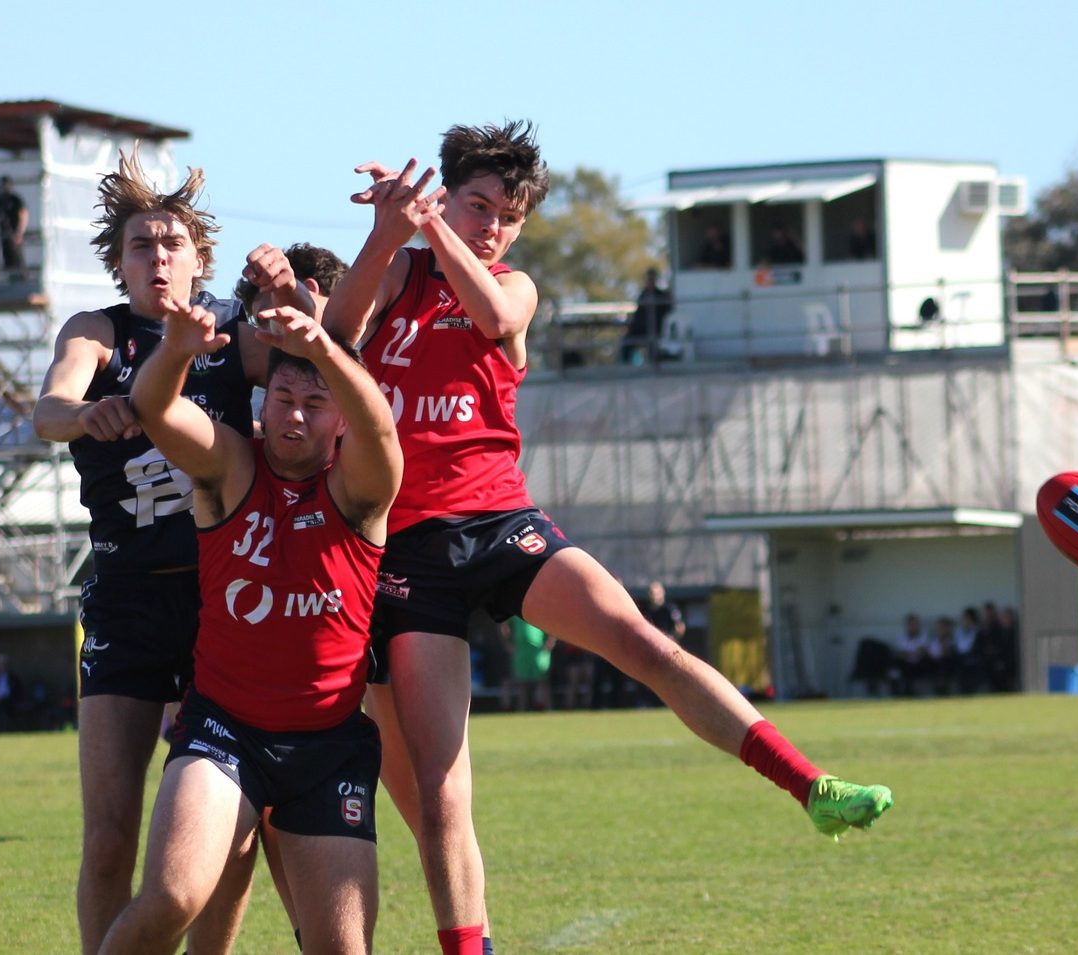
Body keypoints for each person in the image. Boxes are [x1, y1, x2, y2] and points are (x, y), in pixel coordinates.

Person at [326, 121, 892, 953]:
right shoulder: (400, 271)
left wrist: (434, 224)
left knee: (642, 640)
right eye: (475, 204)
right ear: (445, 191)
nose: (490, 225)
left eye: (506, 216)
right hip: (407, 552)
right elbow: (340, 330)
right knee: (443, 790)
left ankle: (809, 783)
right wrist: (388, 231)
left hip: (500, 524)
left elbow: (489, 316)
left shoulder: (514, 286)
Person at [31, 151, 305, 955]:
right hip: (125, 597)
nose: (158, 256)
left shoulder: (229, 334)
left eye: (171, 243)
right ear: (118, 264)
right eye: (141, 245)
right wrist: (86, 416)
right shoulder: (95, 333)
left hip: (223, 601)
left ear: (200, 259)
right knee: (110, 832)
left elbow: (314, 363)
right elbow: (47, 408)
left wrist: (288, 294)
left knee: (236, 824)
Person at [99, 291, 400, 955]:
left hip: (328, 744)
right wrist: (177, 349)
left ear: (338, 418)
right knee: (172, 897)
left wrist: (322, 344)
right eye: (282, 397)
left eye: (314, 403)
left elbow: (380, 429)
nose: (292, 415)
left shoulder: (359, 489)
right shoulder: (233, 465)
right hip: (223, 728)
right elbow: (155, 409)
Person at [620, 267, 672, 366]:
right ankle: (625, 366)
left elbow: (667, 312)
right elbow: (637, 315)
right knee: (627, 341)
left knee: (654, 342)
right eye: (648, 279)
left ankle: (655, 364)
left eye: (652, 279)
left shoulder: (661, 295)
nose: (650, 281)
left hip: (656, 329)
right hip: (640, 329)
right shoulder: (643, 295)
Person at [498, 617, 552, 712]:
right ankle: (522, 710)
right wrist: (507, 644)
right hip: (521, 651)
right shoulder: (515, 611)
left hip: (539, 651)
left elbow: (553, 625)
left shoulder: (541, 608)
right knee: (522, 682)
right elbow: (504, 624)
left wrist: (550, 642)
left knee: (542, 681)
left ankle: (546, 710)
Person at [0, 175, 29, 280]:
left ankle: (22, 278)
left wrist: (19, 232)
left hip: (14, 234)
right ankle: (12, 278)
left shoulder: (15, 200)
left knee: (17, 257)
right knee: (7, 258)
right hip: (4, 235)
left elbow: (23, 214)